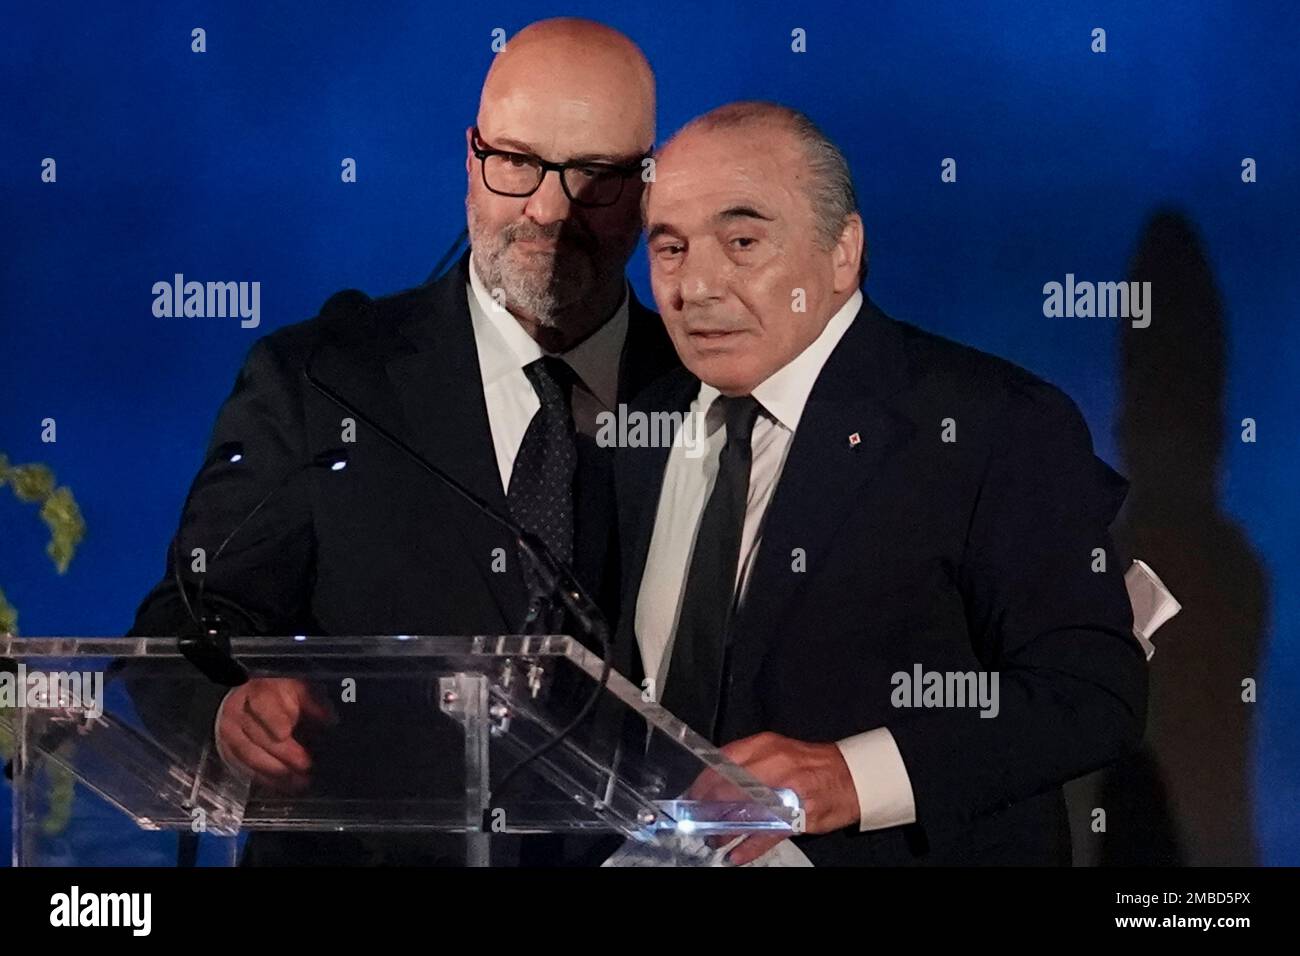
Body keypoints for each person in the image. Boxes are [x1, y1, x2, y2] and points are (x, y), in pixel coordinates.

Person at [130, 18, 677, 865]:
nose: (547, 209)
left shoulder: (705, 393)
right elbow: (180, 631)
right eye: (518, 161)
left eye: (594, 177)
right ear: (470, 158)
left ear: (648, 185)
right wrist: (228, 711)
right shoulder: (320, 379)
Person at [616, 101, 1147, 865]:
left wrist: (850, 777)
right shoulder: (639, 428)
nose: (695, 285)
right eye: (669, 248)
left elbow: (1092, 695)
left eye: (741, 241)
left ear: (842, 252)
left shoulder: (993, 424)